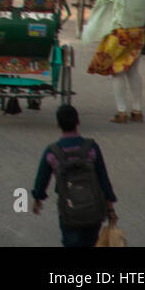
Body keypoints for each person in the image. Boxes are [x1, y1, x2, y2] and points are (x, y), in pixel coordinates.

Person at [31, 104, 119, 247]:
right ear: (78, 122)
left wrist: (38, 199)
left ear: (58, 124)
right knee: (91, 242)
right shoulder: (91, 148)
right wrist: (110, 209)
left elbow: (42, 179)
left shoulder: (52, 152)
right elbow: (103, 179)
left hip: (68, 212)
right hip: (94, 211)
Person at [83, 0, 145, 123]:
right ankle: (137, 110)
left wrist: (92, 29)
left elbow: (99, 8)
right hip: (139, 34)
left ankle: (121, 111)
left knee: (117, 72)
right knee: (134, 72)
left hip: (120, 35)